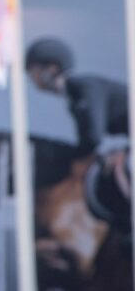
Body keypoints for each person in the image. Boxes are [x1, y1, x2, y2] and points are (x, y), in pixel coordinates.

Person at [25, 37, 130, 233]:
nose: (32, 79)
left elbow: (92, 138)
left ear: (52, 68)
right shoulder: (73, 94)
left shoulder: (83, 88)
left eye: (34, 71)